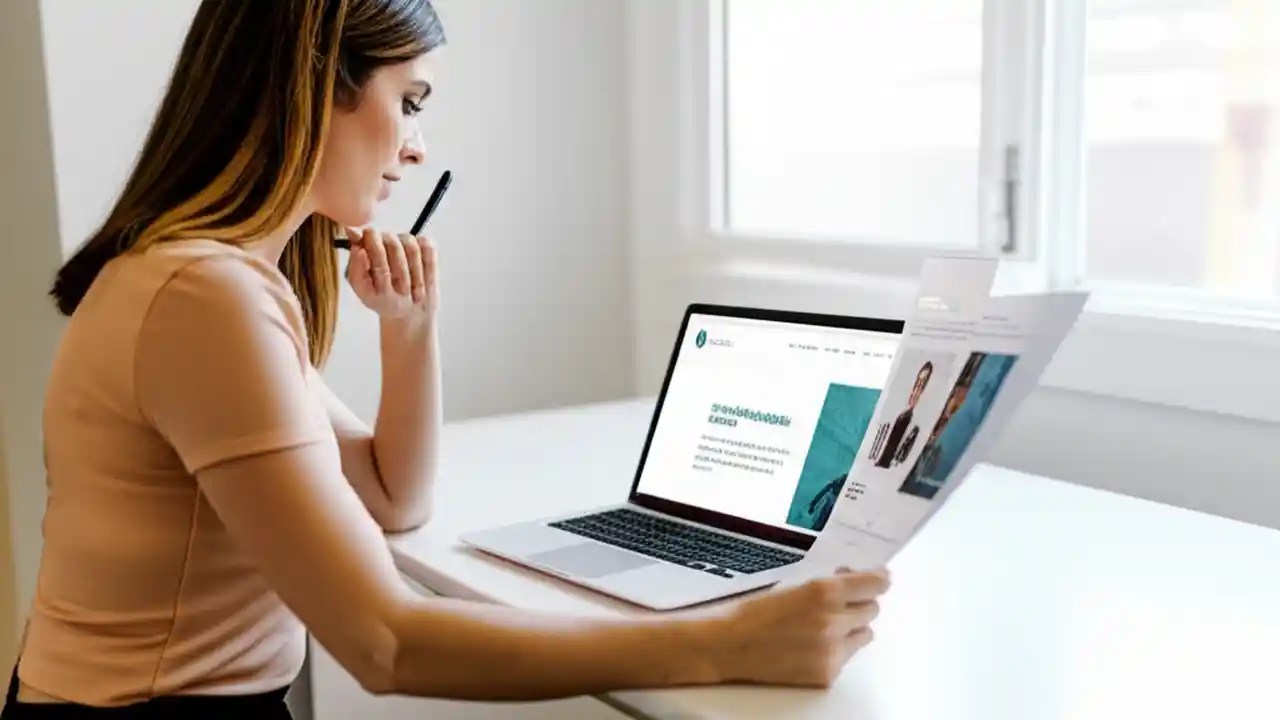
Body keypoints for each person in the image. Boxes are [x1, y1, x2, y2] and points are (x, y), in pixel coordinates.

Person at [5, 2, 890, 716]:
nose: (417, 146)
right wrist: (728, 642)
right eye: (411, 101)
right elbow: (386, 645)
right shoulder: (205, 297)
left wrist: (410, 329)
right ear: (315, 82)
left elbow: (393, 497)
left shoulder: (209, 278)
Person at [874, 362, 933, 468]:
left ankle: (887, 460)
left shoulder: (915, 416)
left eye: (922, 383)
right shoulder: (901, 406)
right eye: (918, 382)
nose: (917, 388)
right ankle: (884, 459)